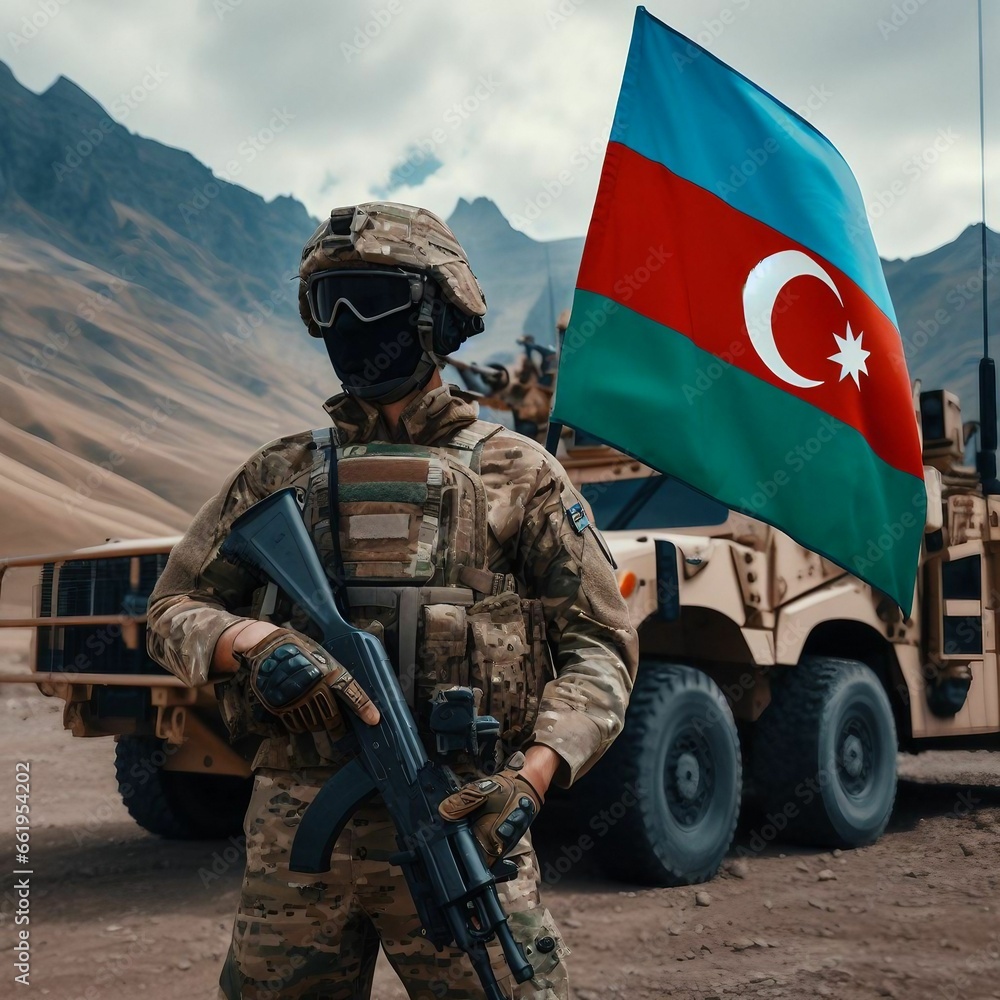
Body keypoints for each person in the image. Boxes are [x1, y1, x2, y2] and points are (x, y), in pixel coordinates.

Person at [146, 201, 637, 1000]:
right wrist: (253, 645)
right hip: (297, 848)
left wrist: (533, 778)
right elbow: (173, 612)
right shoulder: (277, 474)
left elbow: (600, 648)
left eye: (371, 298)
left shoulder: (521, 473)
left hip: (463, 820)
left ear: (435, 314)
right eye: (327, 303)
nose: (347, 323)